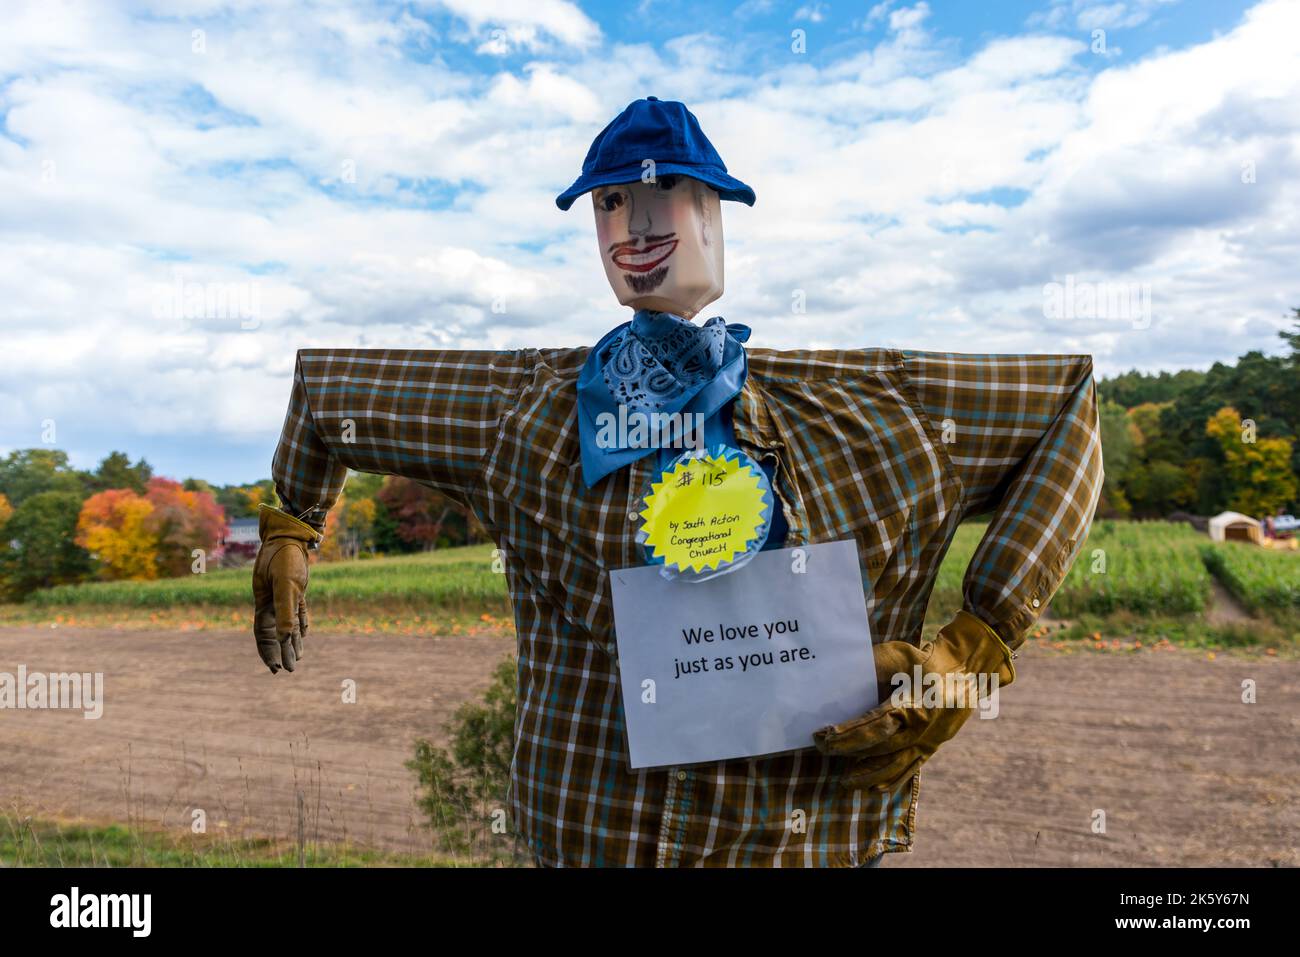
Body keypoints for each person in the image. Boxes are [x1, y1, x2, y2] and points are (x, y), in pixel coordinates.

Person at [251, 97, 1103, 868]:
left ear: (712, 209)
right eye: (609, 202)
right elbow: (332, 391)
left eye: (659, 196)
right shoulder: (521, 408)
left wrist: (976, 642)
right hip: (594, 834)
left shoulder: (876, 407)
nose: (634, 222)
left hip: (809, 837)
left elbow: (1068, 403)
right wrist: (293, 520)